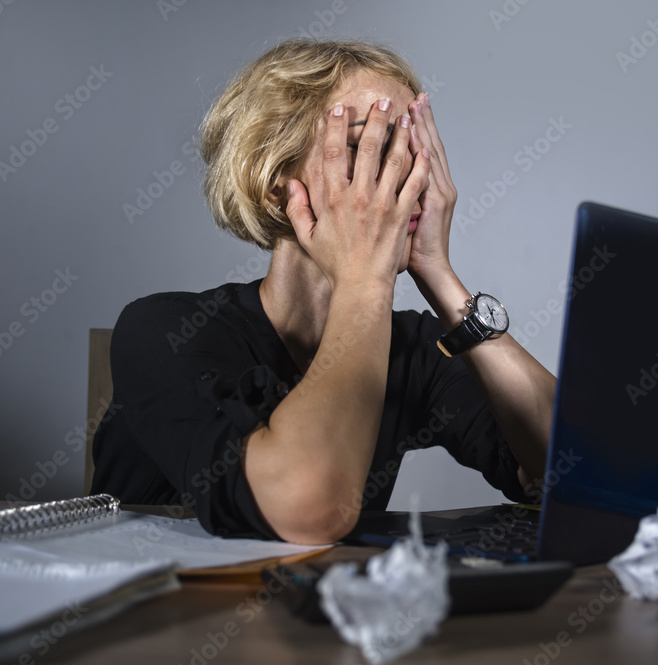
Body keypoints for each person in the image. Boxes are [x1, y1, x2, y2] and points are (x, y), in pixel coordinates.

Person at [91, 39, 556, 545]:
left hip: (312, 617)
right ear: (275, 184)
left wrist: (438, 273)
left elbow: (569, 469)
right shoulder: (163, 330)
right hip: (160, 619)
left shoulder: (413, 350)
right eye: (369, 146)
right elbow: (305, 509)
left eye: (414, 150)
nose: (407, 175)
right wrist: (364, 277)